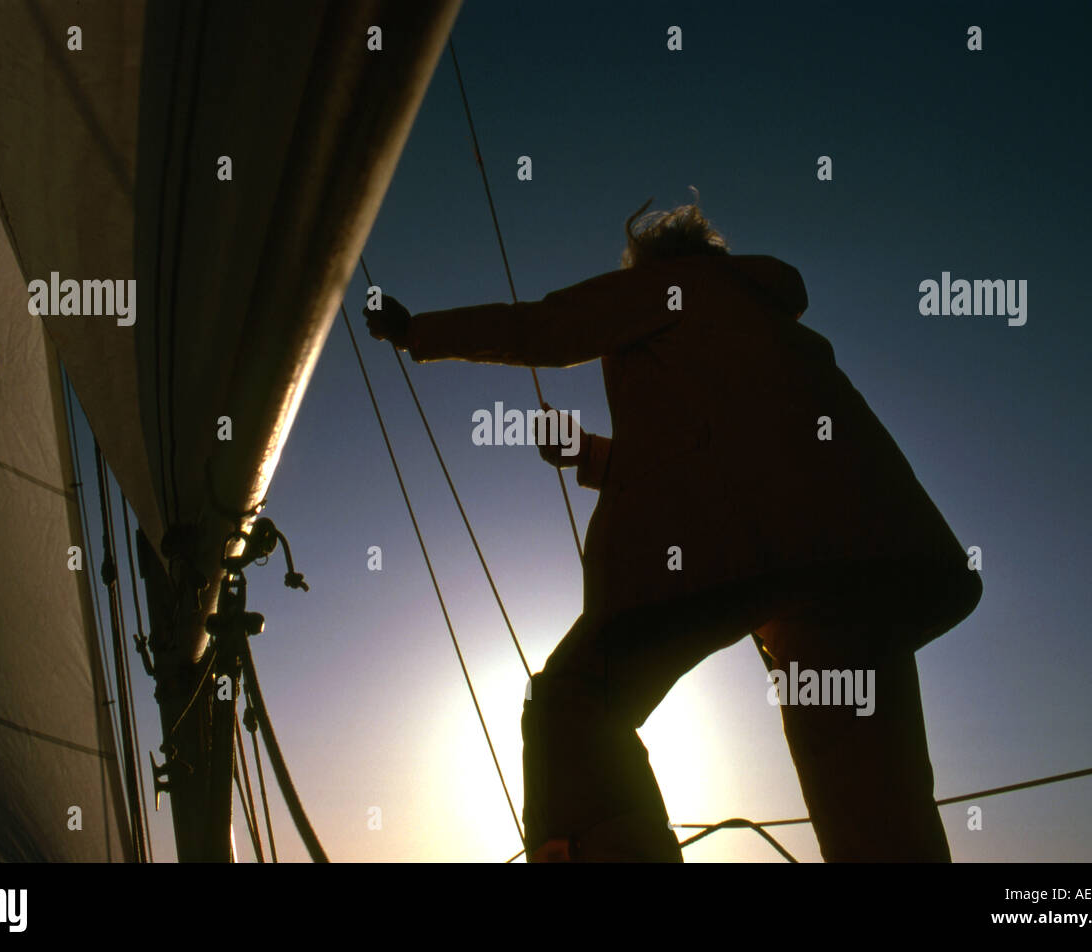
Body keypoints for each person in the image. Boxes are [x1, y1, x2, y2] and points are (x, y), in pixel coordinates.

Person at [365, 195, 981, 862]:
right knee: (879, 815)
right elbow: (723, 442)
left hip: (736, 553)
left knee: (574, 707)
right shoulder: (761, 312)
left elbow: (543, 327)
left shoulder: (665, 286)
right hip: (869, 556)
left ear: (654, 261)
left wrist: (415, 333)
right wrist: (586, 454)